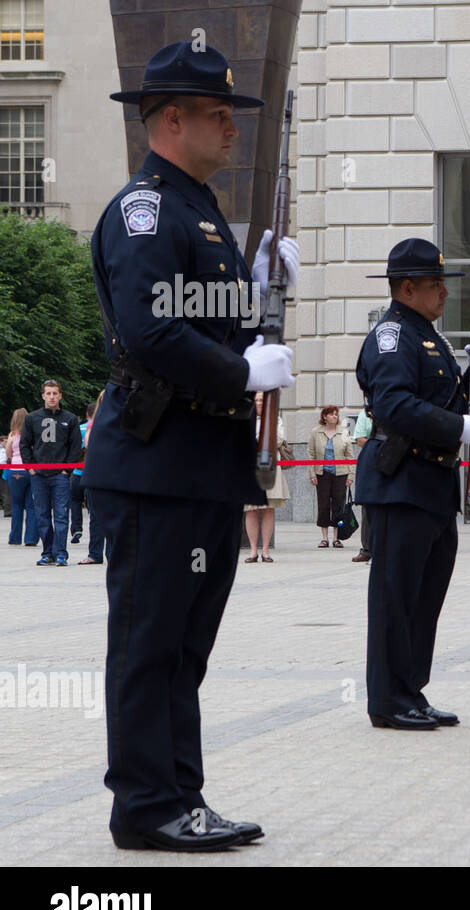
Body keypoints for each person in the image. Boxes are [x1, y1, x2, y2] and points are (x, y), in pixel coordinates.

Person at [84, 42, 297, 851]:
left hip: (200, 466)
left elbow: (214, 328)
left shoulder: (200, 211)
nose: (231, 129)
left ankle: (181, 793)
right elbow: (149, 330)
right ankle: (144, 804)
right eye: (218, 115)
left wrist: (262, 302)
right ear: (172, 120)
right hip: (156, 463)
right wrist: (242, 369)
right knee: (150, 645)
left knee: (184, 647)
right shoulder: (147, 210)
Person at [354, 238, 470, 730]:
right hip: (401, 481)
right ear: (407, 288)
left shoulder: (428, 337)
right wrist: (460, 429)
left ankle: (411, 689)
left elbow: (442, 399)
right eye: (436, 285)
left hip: (432, 482)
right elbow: (395, 405)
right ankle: (388, 699)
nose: (444, 294)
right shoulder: (392, 335)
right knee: (396, 596)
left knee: (425, 596)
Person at [20, 380, 82, 567]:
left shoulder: (70, 419)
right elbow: (24, 445)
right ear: (43, 396)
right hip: (39, 474)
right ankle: (48, 552)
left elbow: (75, 447)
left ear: (60, 395)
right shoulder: (32, 418)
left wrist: (66, 470)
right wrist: (31, 468)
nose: (52, 397)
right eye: (48, 393)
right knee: (42, 515)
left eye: (55, 393)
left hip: (60, 475)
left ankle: (61, 553)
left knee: (62, 514)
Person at [243, 392, 289, 562]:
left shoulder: (275, 418)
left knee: (269, 509)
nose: (259, 403)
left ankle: (266, 550)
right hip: (249, 468)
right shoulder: (246, 417)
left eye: (262, 400)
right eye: (256, 400)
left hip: (269, 468)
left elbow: (278, 440)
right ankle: (253, 550)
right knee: (251, 509)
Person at [307, 405, 354, 548]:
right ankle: (324, 538)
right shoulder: (316, 432)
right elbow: (311, 453)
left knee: (338, 505)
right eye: (332, 414)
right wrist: (312, 473)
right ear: (324, 416)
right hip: (322, 473)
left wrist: (350, 475)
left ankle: (336, 537)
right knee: (323, 504)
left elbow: (349, 455)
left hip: (340, 473)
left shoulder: (343, 432)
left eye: (336, 414)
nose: (335, 416)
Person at [78, 393, 106, 565]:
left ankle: (113, 554)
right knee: (95, 516)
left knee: (114, 517)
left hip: (114, 475)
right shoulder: (91, 426)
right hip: (96, 473)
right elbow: (88, 445)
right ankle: (95, 553)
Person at [5, 409, 39, 547]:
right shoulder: (33, 435)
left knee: (16, 504)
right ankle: (31, 538)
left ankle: (15, 537)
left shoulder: (12, 435)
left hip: (15, 471)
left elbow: (9, 453)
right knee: (31, 505)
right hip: (30, 470)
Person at [68, 402, 95, 545]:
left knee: (75, 500)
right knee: (93, 504)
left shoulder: (79, 428)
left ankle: (76, 528)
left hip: (78, 472)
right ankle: (95, 531)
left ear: (86, 414)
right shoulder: (100, 428)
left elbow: (74, 448)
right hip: (94, 472)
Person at [351, 408, 373, 562]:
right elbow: (360, 438)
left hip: (397, 462)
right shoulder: (365, 413)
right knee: (369, 507)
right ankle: (367, 549)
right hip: (372, 461)